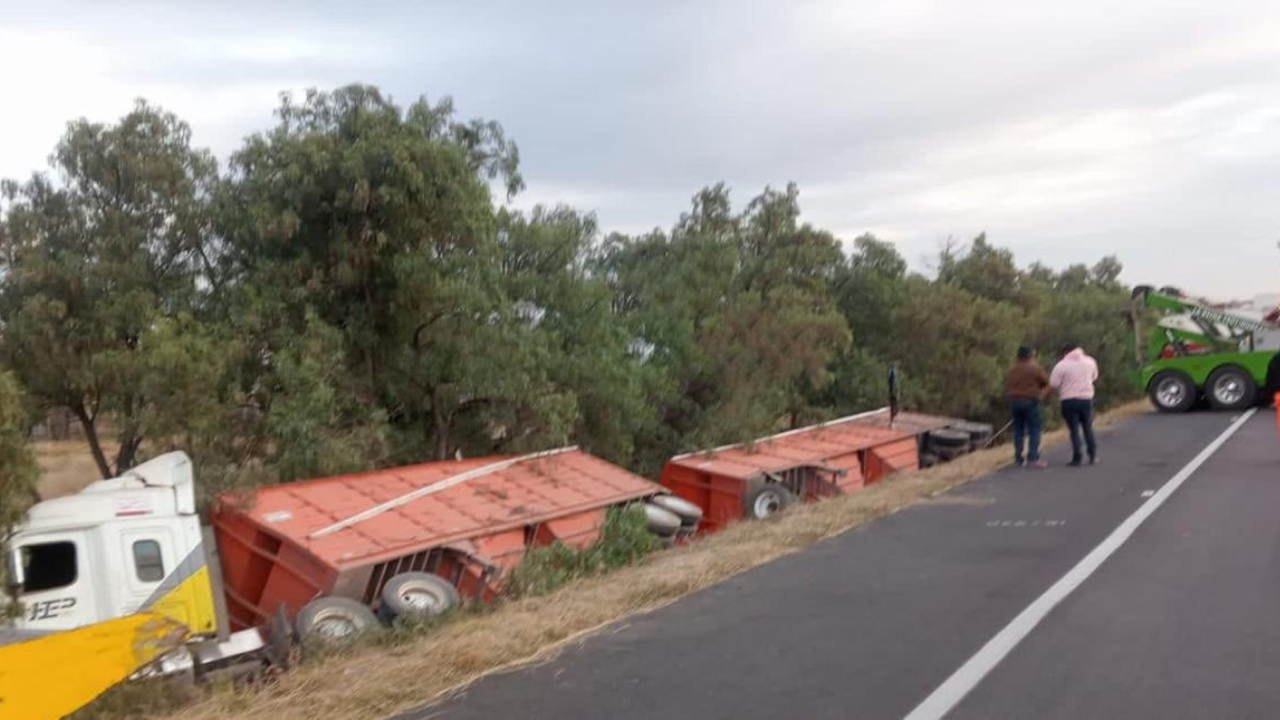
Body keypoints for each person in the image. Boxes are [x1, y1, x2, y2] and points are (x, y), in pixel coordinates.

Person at [1050, 344, 1100, 466]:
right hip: (1086, 399)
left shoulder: (1061, 365)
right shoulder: (1090, 361)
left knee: (1074, 430)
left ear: (1065, 352)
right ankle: (1092, 456)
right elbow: (1094, 377)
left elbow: (1054, 383)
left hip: (1068, 400)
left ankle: (1077, 458)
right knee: (1088, 427)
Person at [1006, 345, 1050, 467]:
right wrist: (1041, 394)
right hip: (1030, 400)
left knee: (1018, 430)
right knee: (1034, 429)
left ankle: (1018, 458)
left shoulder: (1012, 369)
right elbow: (1046, 382)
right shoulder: (1034, 368)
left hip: (1014, 400)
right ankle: (1033, 457)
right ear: (1030, 355)